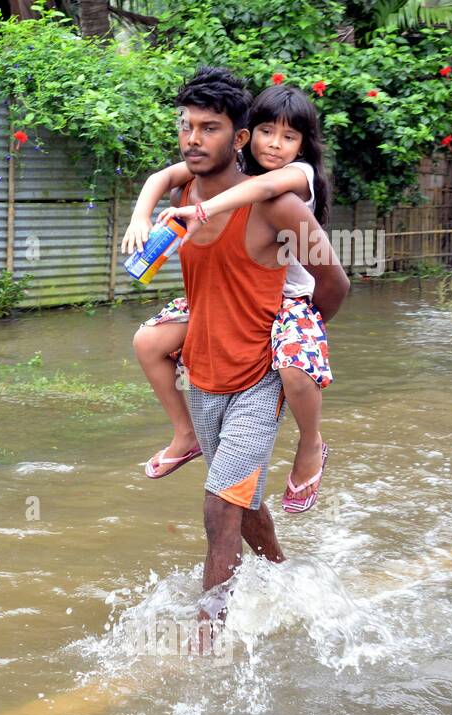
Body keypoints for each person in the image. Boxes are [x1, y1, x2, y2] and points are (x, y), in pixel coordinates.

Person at [155, 67, 350, 619]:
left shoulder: (280, 204)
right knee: (244, 499)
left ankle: (205, 641)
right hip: (203, 376)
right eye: (186, 126)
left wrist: (296, 341)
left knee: (220, 508)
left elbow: (333, 284)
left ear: (236, 138)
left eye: (209, 128)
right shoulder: (185, 195)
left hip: (259, 380)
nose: (193, 138)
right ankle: (288, 581)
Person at [122, 85, 336, 513]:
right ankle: (185, 435)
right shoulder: (231, 169)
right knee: (148, 342)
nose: (275, 144)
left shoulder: (299, 178)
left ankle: (311, 444)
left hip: (288, 301)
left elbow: (261, 190)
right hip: (228, 297)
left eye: (289, 137)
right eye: (266, 132)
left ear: (303, 144)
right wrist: (141, 216)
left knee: (294, 372)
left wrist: (203, 209)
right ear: (245, 135)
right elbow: (162, 177)